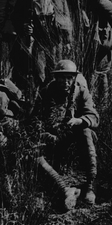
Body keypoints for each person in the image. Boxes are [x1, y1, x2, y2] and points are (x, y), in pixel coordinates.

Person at [33, 60, 100, 209]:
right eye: (61, 77)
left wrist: (79, 120)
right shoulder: (46, 92)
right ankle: (59, 185)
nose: (65, 81)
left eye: (69, 77)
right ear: (55, 78)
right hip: (53, 136)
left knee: (86, 132)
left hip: (73, 133)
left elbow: (94, 117)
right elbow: (36, 118)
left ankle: (90, 183)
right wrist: (44, 132)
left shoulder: (81, 91)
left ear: (74, 78)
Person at [11, 0, 74, 92]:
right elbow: (16, 15)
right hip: (37, 39)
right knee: (38, 73)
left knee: (55, 71)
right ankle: (37, 101)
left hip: (56, 39)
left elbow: (65, 15)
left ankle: (52, 102)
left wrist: (68, 40)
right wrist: (24, 27)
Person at [76, 0, 112, 95]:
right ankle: (95, 98)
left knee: (98, 71)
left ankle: (99, 100)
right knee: (96, 70)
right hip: (96, 40)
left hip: (102, 40)